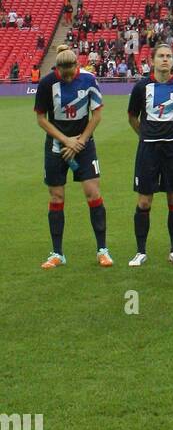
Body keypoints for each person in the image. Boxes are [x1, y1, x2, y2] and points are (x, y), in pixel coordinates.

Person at [34, 46, 113, 268]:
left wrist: (79, 142)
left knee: (92, 193)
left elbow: (96, 115)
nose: (67, 78)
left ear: (77, 66)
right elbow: (41, 119)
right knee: (57, 197)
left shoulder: (89, 80)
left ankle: (102, 250)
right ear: (57, 68)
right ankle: (57, 253)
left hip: (84, 144)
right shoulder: (47, 83)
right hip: (57, 146)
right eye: (63, 74)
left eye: (71, 73)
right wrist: (66, 141)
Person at [127, 41, 173, 266]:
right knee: (144, 200)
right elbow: (133, 117)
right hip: (148, 149)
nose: (165, 59)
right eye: (161, 56)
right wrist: (145, 135)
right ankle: (141, 251)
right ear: (152, 61)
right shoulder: (141, 87)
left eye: (168, 56)